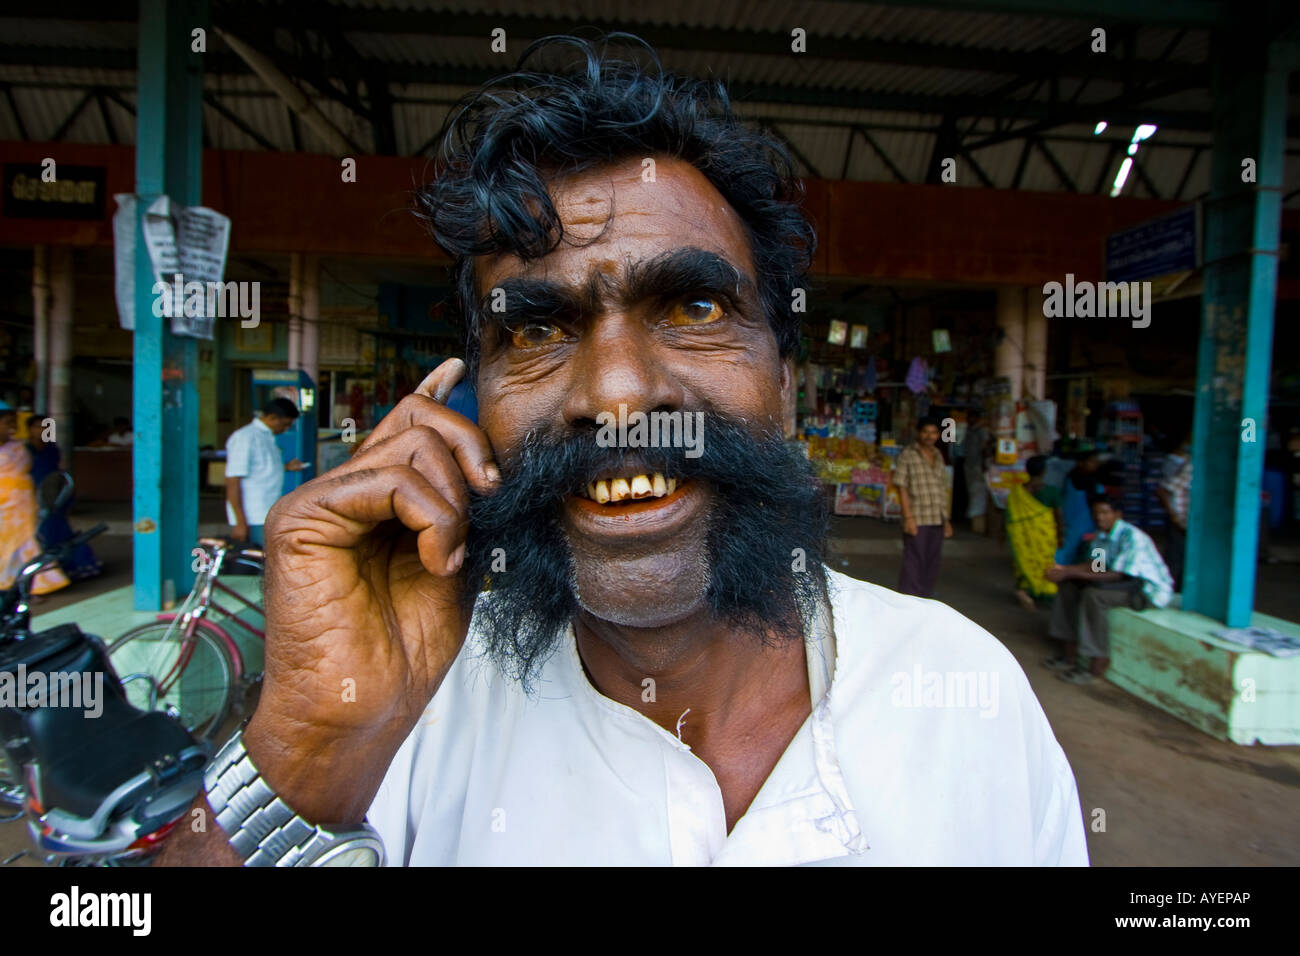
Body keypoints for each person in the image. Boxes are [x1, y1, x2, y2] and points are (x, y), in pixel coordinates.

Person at [159, 35, 1086, 868]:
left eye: (694, 308)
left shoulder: (970, 701)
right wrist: (308, 748)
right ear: (466, 405)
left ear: (787, 386)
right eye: (537, 330)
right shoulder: (406, 721)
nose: (616, 394)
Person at [1045, 493, 1174, 684]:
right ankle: (1069, 652)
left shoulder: (1132, 537)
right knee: (1068, 587)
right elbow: (1096, 566)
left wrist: (1071, 572)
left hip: (1146, 591)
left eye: (1105, 513)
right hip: (1121, 584)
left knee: (1094, 596)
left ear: (1117, 514)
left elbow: (1119, 574)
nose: (1100, 517)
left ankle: (1096, 663)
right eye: (1096, 513)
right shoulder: (1101, 535)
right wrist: (1065, 571)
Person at [0, 406, 69, 595]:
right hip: (7, 501)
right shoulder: (25, 446)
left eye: (14, 422)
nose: (12, 427)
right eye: (7, 423)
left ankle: (30, 585)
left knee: (24, 540)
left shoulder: (25, 447)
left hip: (25, 500)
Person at [24, 414, 102, 581]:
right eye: (37, 427)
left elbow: (57, 471)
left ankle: (65, 568)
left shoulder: (51, 448)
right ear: (30, 429)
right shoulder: (24, 449)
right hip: (29, 494)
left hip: (53, 493)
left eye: (45, 427)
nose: (41, 430)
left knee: (58, 530)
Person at [224, 397, 307, 546]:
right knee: (255, 561)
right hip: (252, 515)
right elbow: (233, 481)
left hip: (267, 512)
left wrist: (286, 467)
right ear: (272, 417)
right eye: (285, 424)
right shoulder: (245, 437)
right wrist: (240, 522)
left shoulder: (267, 437)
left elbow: (259, 469)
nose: (286, 429)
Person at [892, 415, 953, 598]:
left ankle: (925, 599)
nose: (929, 436)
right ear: (919, 433)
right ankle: (908, 599)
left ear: (938, 435)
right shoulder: (908, 454)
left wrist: (946, 520)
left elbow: (941, 489)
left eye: (933, 432)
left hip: (936, 517)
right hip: (917, 517)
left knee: (932, 562)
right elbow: (900, 485)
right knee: (914, 562)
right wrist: (908, 517)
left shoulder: (938, 455)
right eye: (925, 432)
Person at [1007, 455, 1063, 612]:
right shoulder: (1052, 492)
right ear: (1044, 471)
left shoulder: (1017, 492)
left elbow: (1009, 516)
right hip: (1044, 537)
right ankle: (1042, 591)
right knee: (1044, 563)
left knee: (1024, 562)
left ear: (1026, 470)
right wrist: (1061, 535)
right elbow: (1059, 516)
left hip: (1022, 537)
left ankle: (1024, 591)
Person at [1055, 450, 1104, 565]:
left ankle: (1095, 575)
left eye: (1097, 462)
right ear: (1080, 463)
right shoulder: (1068, 480)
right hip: (1070, 528)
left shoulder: (1096, 484)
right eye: (1092, 462)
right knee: (1062, 557)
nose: (1096, 464)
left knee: (1096, 555)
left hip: (1091, 527)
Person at [1156, 444, 1192, 591]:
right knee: (1174, 561)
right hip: (1179, 523)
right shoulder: (1191, 467)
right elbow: (1162, 490)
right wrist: (1174, 516)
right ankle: (1165, 591)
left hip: (1191, 525)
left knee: (1187, 562)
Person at [961, 410, 991, 533]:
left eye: (971, 417)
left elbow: (985, 448)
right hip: (969, 464)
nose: (969, 419)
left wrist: (984, 464)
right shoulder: (969, 430)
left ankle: (977, 521)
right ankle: (973, 517)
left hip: (978, 465)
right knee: (972, 491)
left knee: (977, 492)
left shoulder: (982, 431)